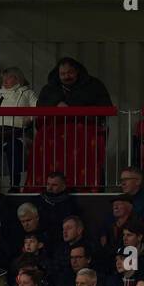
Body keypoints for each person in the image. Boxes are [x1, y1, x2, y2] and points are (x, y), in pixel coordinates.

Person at [30, 57, 112, 190]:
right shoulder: (50, 88)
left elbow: (106, 107)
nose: (66, 76)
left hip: (85, 130)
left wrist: (75, 110)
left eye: (70, 73)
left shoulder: (94, 85)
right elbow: (40, 108)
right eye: (62, 74)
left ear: (77, 72)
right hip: (54, 134)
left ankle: (88, 187)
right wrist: (55, 104)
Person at [0, 66, 36, 188]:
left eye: (8, 77)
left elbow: (37, 109)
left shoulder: (28, 94)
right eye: (3, 78)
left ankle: (15, 185)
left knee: (13, 147)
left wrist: (30, 118)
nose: (5, 80)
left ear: (18, 79)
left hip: (19, 133)